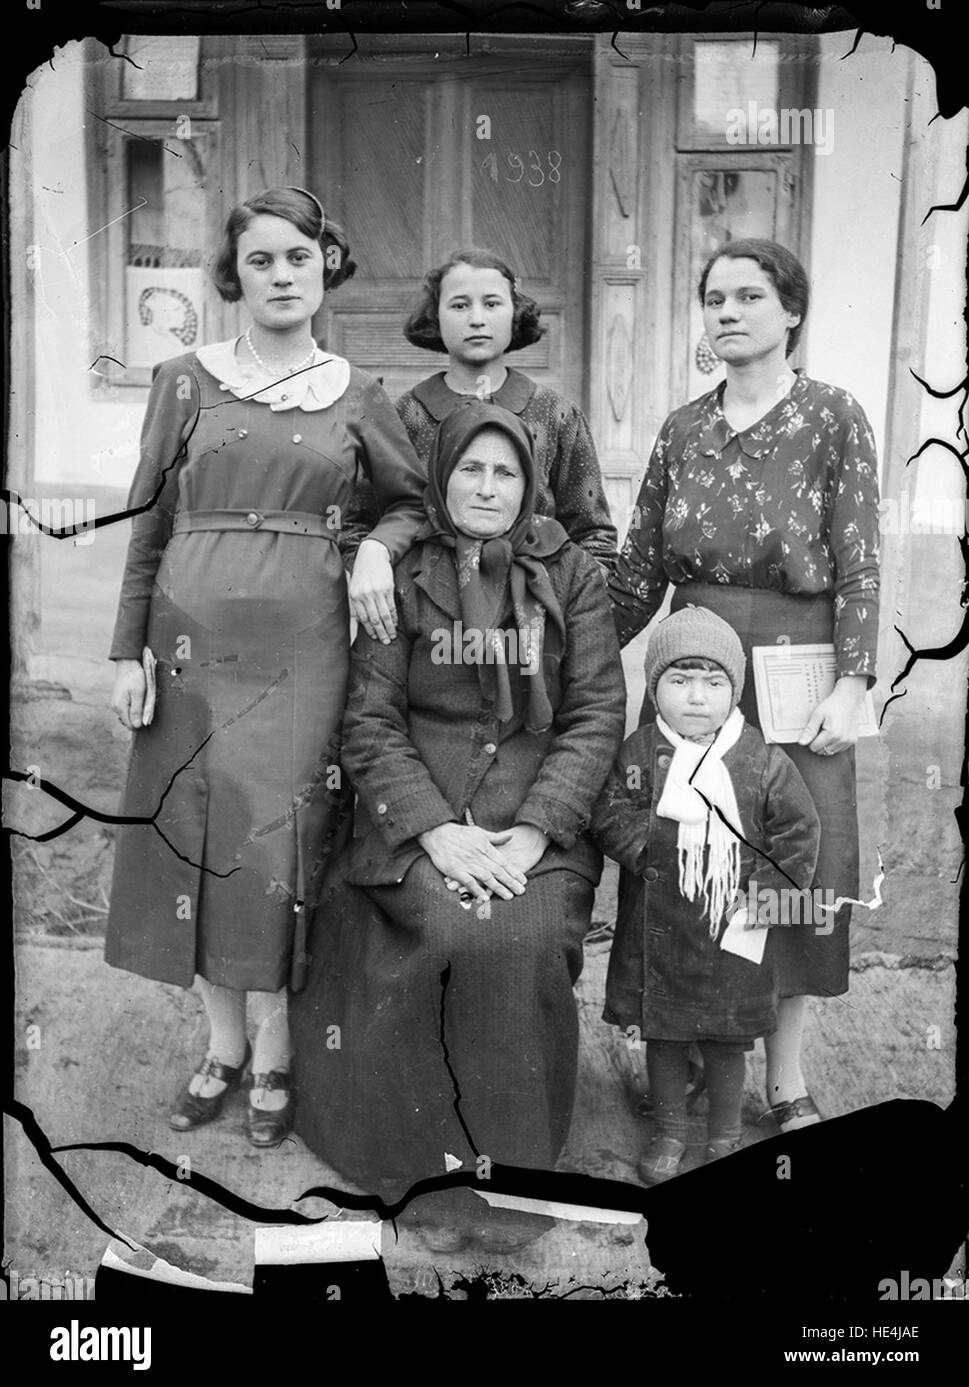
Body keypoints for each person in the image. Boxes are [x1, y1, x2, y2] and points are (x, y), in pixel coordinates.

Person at [105, 186, 426, 1147]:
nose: (282, 275)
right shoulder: (182, 381)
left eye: (299, 256)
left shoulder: (359, 392)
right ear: (233, 276)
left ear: (325, 265)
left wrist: (374, 547)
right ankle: (220, 1047)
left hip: (305, 651)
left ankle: (279, 1051)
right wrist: (127, 649)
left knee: (280, 847)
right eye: (261, 261)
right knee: (198, 841)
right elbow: (148, 519)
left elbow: (411, 504)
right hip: (189, 650)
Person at [289, 400, 626, 1251]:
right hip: (416, 821)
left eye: (505, 470)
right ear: (441, 479)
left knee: (514, 939)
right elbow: (368, 721)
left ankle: (509, 1192)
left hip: (533, 825)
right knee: (448, 931)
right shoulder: (405, 575)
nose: (487, 485)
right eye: (469, 469)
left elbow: (593, 717)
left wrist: (540, 829)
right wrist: (434, 829)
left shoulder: (573, 576)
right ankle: (428, 1185)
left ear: (530, 482)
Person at [608, 238, 880, 1133]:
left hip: (797, 669)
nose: (726, 313)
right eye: (713, 298)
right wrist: (576, 664)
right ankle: (686, 1056)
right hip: (695, 669)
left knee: (787, 868)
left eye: (748, 297)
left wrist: (852, 683)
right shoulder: (682, 429)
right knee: (688, 863)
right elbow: (638, 570)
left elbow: (859, 568)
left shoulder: (832, 417)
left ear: (791, 312)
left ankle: (786, 1079)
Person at [592, 607, 821, 1184]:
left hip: (732, 931)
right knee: (664, 1038)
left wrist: (766, 894)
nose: (697, 698)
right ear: (655, 688)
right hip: (661, 926)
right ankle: (669, 1129)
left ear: (734, 690)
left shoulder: (762, 762)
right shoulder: (640, 756)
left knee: (727, 1041)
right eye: (679, 680)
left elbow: (798, 833)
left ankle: (725, 1134)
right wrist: (650, 849)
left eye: (713, 683)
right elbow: (610, 810)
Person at [345, 248, 618, 572]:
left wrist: (569, 602)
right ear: (436, 316)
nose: (477, 319)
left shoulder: (556, 414)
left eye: (491, 304)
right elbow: (357, 527)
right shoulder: (403, 416)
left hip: (535, 610)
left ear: (514, 313)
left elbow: (592, 536)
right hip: (425, 607)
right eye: (460, 305)